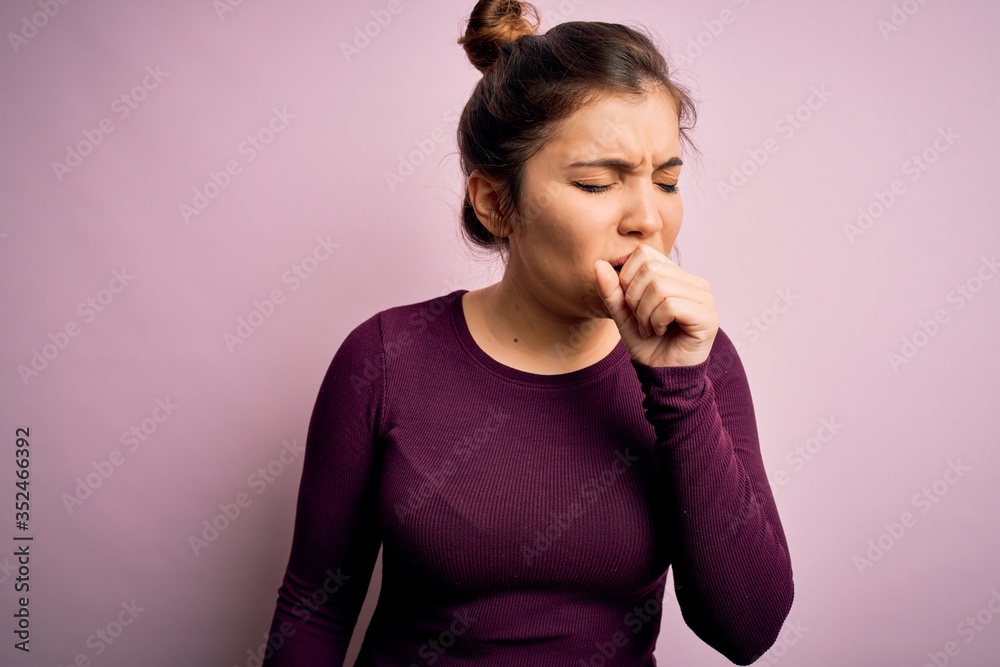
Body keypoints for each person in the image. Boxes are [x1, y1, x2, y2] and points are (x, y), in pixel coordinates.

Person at [260, 1, 794, 665]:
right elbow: (316, 608)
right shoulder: (385, 359)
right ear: (495, 202)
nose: (648, 219)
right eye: (599, 182)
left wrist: (679, 384)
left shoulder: (701, 360)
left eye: (666, 180)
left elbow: (748, 631)